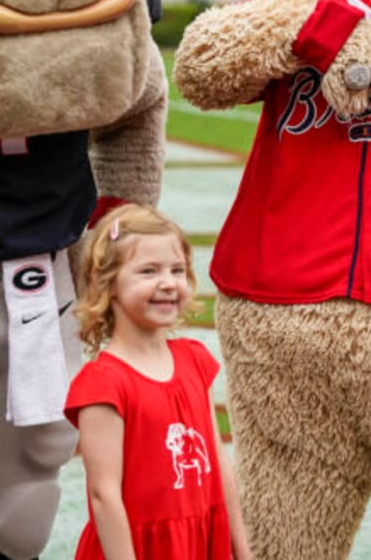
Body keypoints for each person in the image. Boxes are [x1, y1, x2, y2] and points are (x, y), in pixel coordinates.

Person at [64, 204, 252, 560]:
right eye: (148, 271)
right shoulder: (103, 383)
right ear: (108, 283)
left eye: (177, 270)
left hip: (200, 543)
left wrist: (242, 550)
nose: (168, 282)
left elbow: (218, 465)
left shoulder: (195, 360)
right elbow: (105, 496)